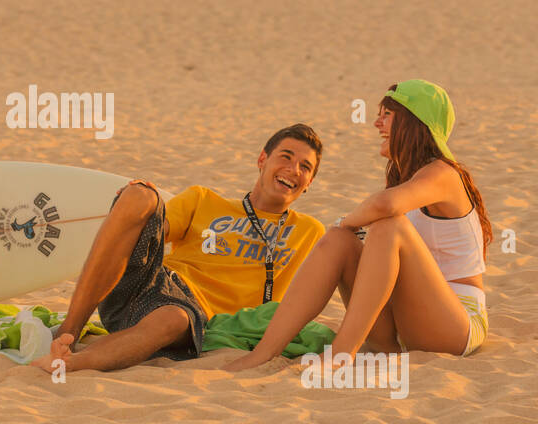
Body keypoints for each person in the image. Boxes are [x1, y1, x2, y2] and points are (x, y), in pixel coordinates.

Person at [225, 80, 491, 371]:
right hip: (402, 329)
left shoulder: (443, 174)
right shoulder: (409, 178)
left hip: (456, 328)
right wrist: (342, 231)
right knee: (340, 240)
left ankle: (341, 354)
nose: (377, 123)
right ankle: (263, 353)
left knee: (387, 226)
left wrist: (344, 222)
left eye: (387, 115)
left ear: (414, 123)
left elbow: (384, 207)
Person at [33, 125, 327, 373]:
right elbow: (146, 239)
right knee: (141, 194)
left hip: (193, 315)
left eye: (305, 167)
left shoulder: (309, 232)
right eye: (285, 157)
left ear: (309, 182)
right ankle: (68, 333)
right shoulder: (203, 199)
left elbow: (341, 275)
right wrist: (136, 204)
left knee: (173, 318)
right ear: (262, 159)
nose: (293, 170)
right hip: (151, 282)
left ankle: (69, 363)